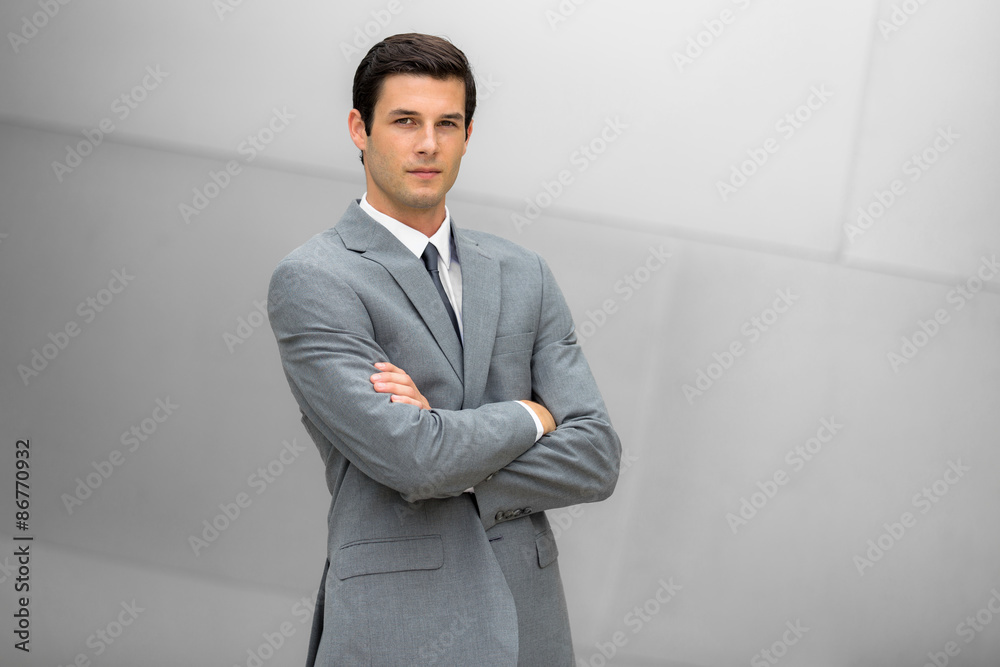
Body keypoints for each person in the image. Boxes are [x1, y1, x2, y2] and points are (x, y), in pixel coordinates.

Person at [267, 32, 621, 666]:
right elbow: (414, 461)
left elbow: (595, 457)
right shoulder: (315, 279)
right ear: (359, 128)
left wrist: (440, 439)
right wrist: (533, 416)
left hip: (528, 624)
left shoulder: (524, 273)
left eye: (447, 123)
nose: (428, 144)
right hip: (394, 628)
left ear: (467, 133)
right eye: (405, 121)